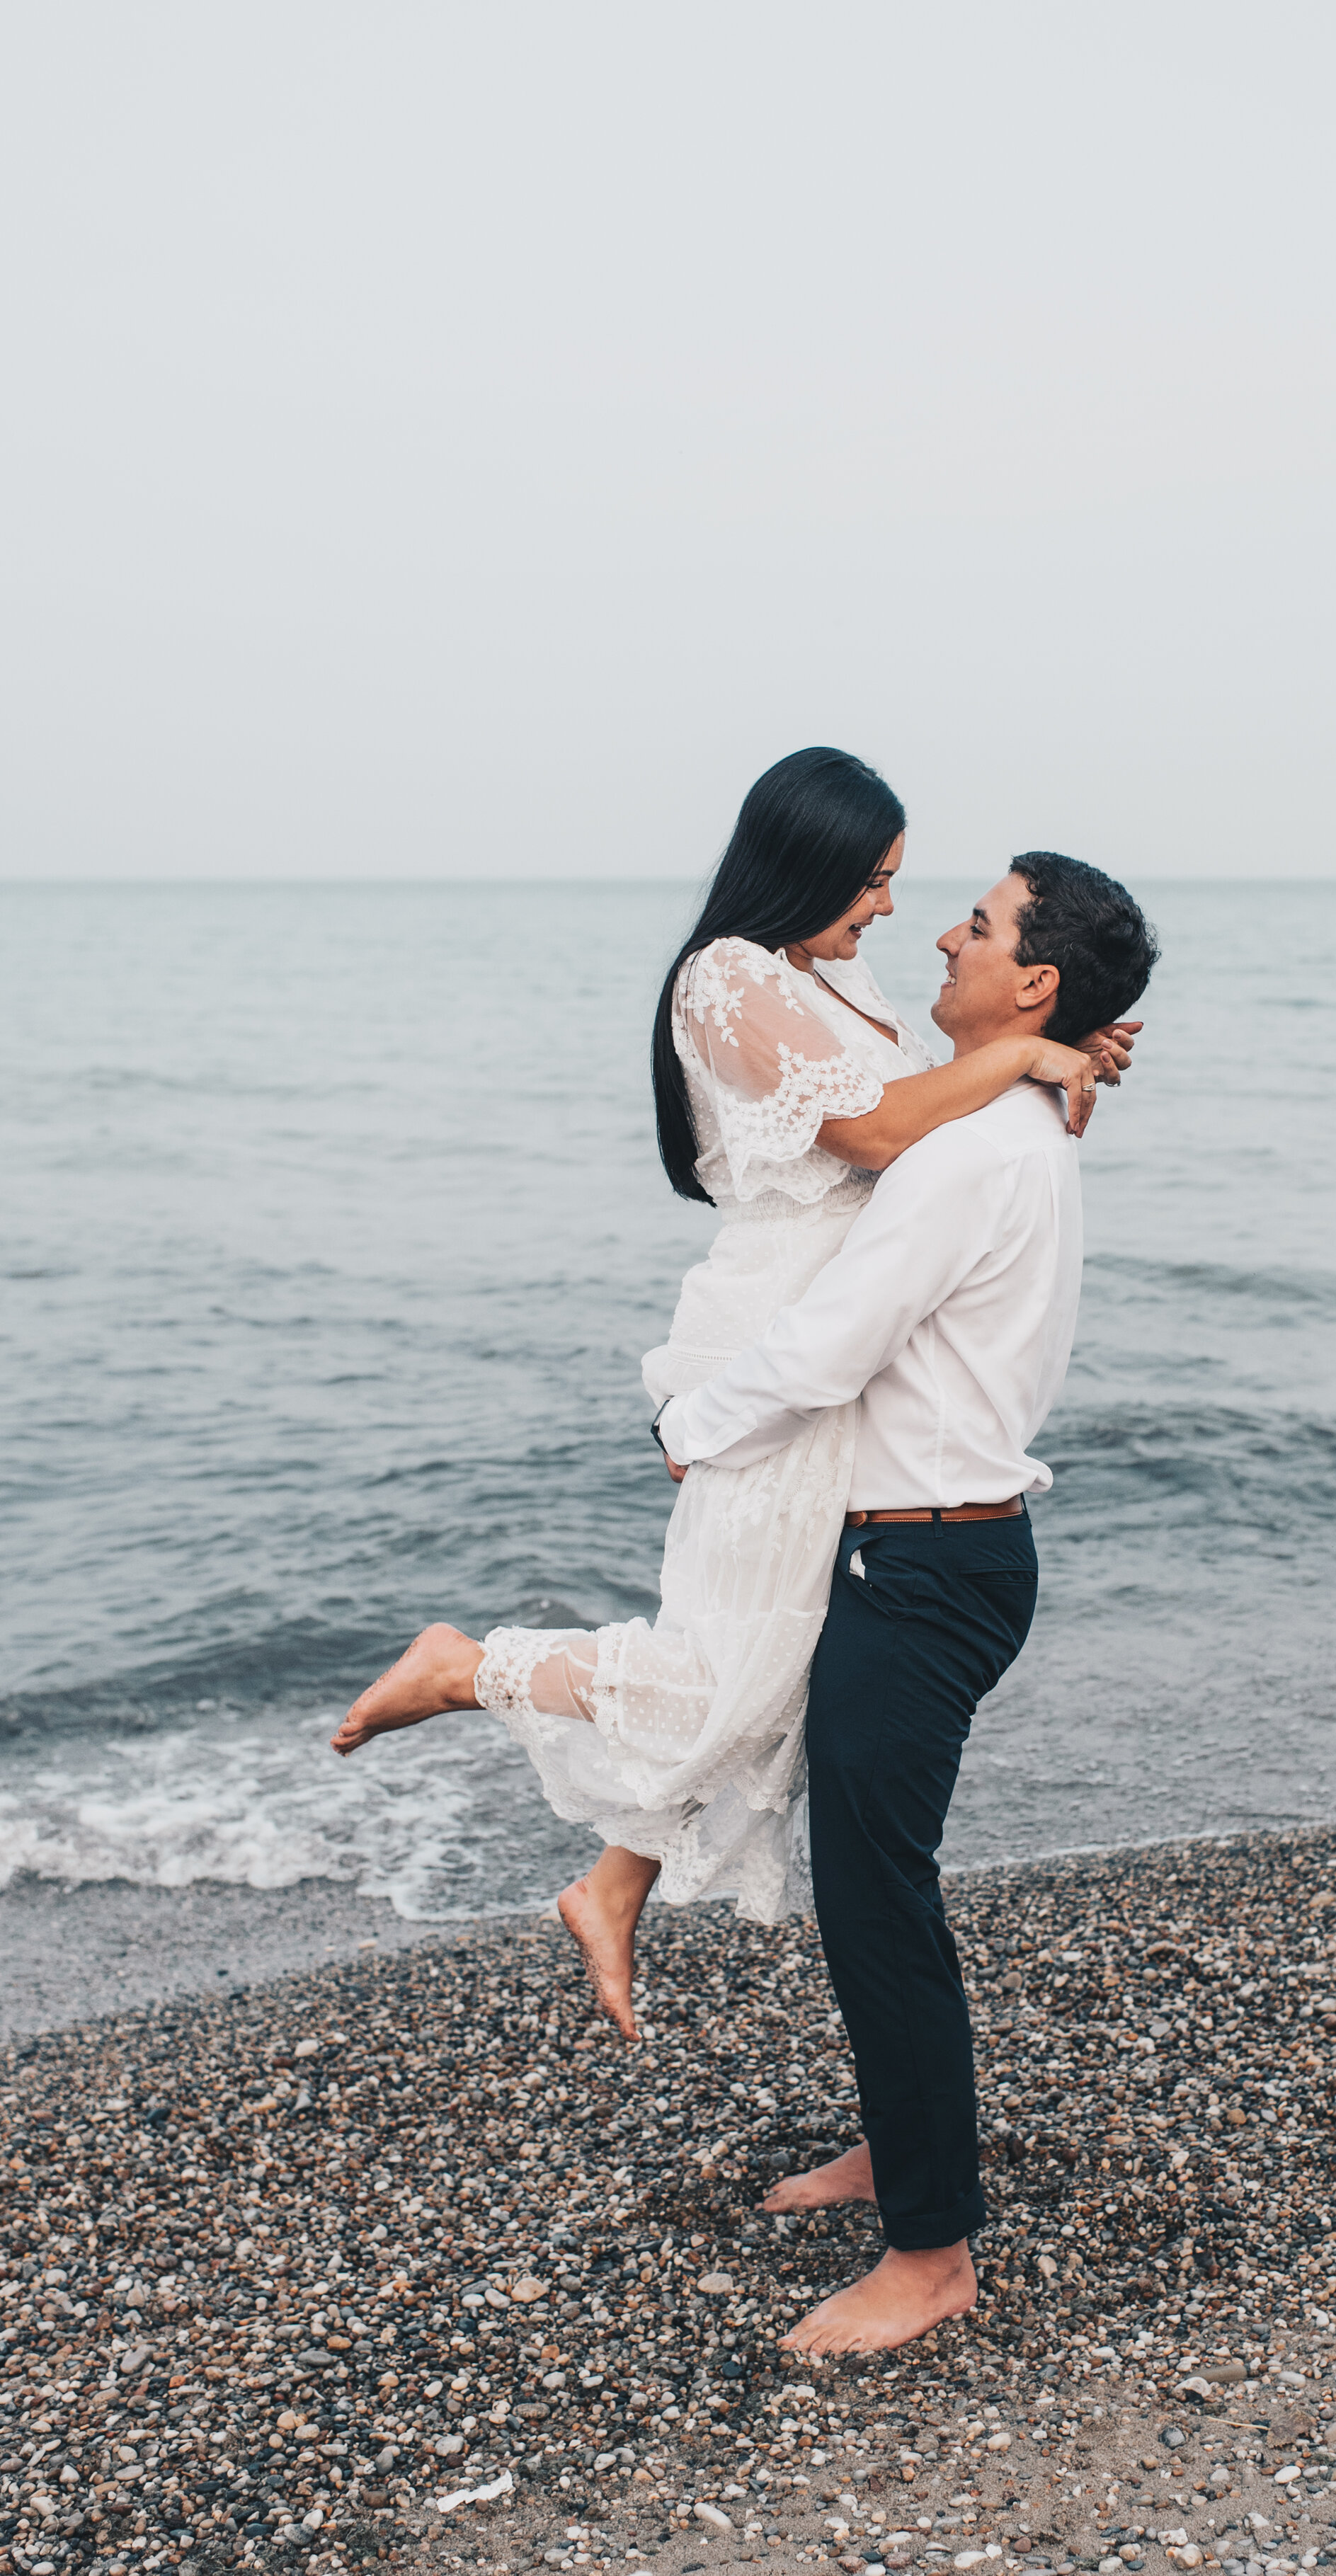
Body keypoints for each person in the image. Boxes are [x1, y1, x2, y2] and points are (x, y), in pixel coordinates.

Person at [331, 750, 1135, 2037]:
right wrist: (1034, 1051)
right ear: (807, 865)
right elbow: (876, 1134)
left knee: (771, 1666)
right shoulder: (728, 978)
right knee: (731, 1670)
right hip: (775, 1345)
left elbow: (931, 1087)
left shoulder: (829, 971)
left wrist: (1055, 1042)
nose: (888, 909)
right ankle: (464, 1669)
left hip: (837, 1359)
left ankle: (611, 1882)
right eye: (871, 880)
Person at [652, 849, 1159, 2354]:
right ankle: (901, 2140)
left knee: (878, 1899)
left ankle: (930, 2252)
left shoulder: (970, 1151)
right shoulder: (1010, 1113)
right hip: (932, 1549)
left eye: (981, 922)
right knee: (878, 1887)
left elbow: (830, 1344)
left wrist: (684, 1426)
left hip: (921, 1561)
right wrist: (1059, 1057)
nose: (943, 928)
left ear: (1035, 981)